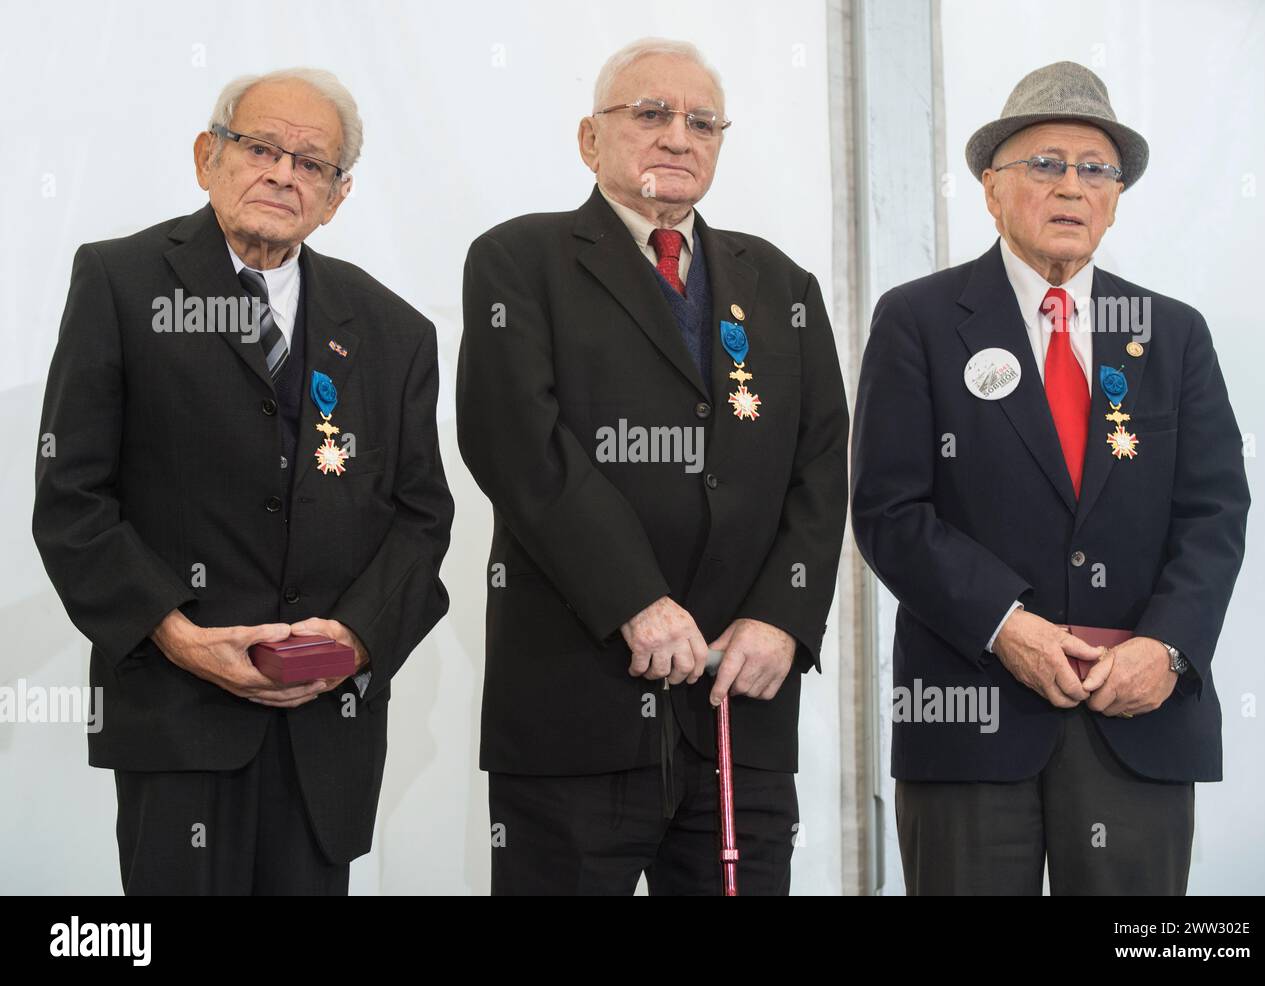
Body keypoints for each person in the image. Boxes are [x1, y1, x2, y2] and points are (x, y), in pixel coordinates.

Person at [32, 67, 454, 895]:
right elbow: (73, 499)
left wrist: (355, 643)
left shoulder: (395, 331)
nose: (284, 173)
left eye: (312, 163)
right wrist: (181, 638)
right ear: (208, 156)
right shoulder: (121, 284)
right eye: (261, 147)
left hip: (324, 735)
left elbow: (420, 517)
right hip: (178, 718)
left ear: (337, 197)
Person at [458, 37, 848, 894]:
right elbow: (516, 446)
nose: (678, 136)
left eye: (701, 121)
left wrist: (782, 617)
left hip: (738, 709)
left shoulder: (782, 284)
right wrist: (634, 598)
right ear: (590, 140)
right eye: (650, 114)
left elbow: (822, 470)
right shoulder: (519, 261)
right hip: (577, 705)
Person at [851, 61, 1250, 894]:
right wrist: (1007, 625)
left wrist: (1168, 650)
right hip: (970, 711)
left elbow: (1214, 510)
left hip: (1136, 720)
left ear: (1114, 199)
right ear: (991, 189)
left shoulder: (1172, 334)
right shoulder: (919, 321)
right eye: (1045, 164)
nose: (1072, 185)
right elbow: (890, 510)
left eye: (1095, 169)